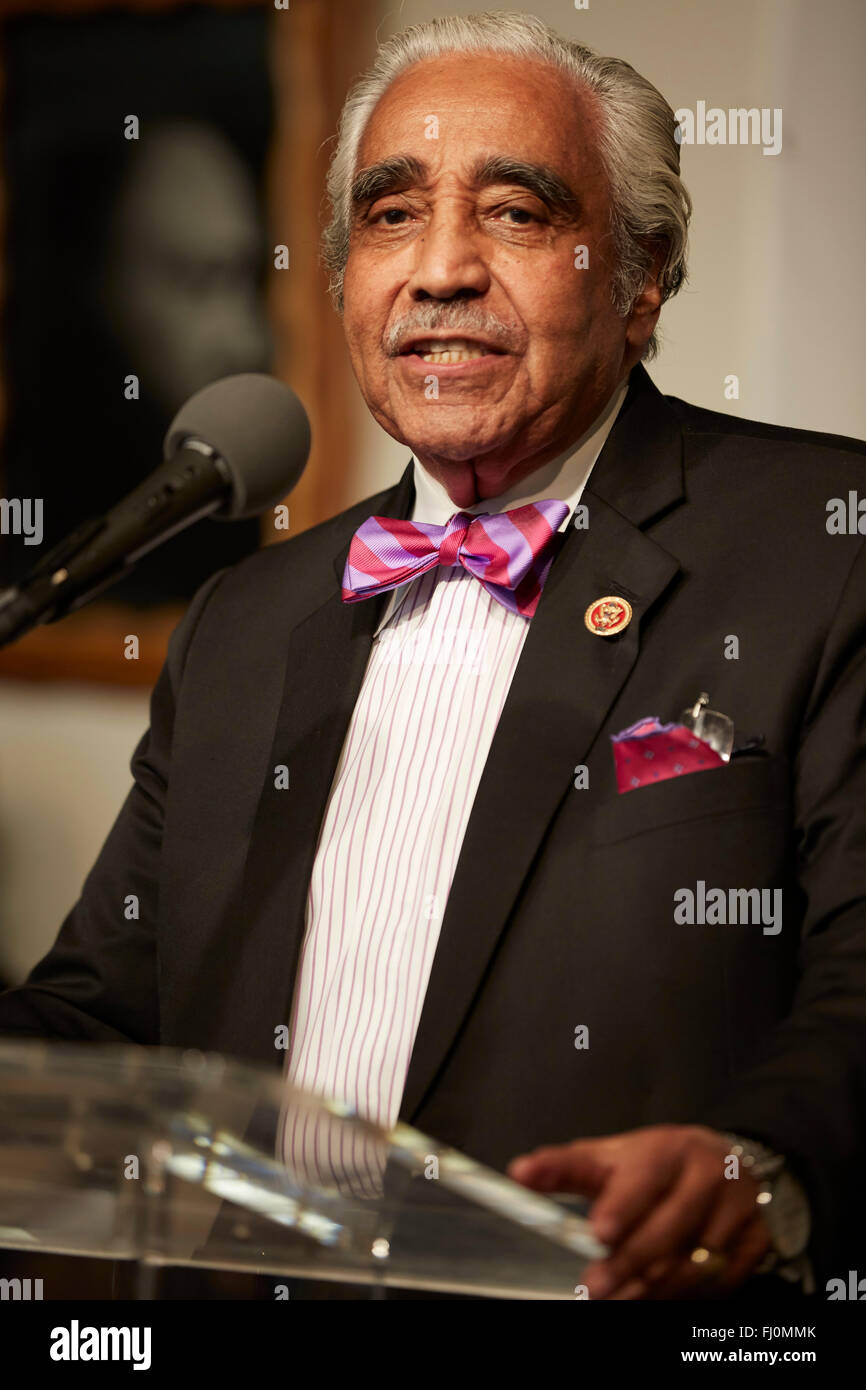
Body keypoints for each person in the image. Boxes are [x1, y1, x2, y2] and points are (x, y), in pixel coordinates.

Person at [2, 13, 864, 1300]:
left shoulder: (820, 545)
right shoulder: (245, 619)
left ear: (640, 276)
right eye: (391, 216)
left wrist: (758, 1161)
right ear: (342, 277)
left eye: (515, 211)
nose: (441, 268)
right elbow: (100, 1025)